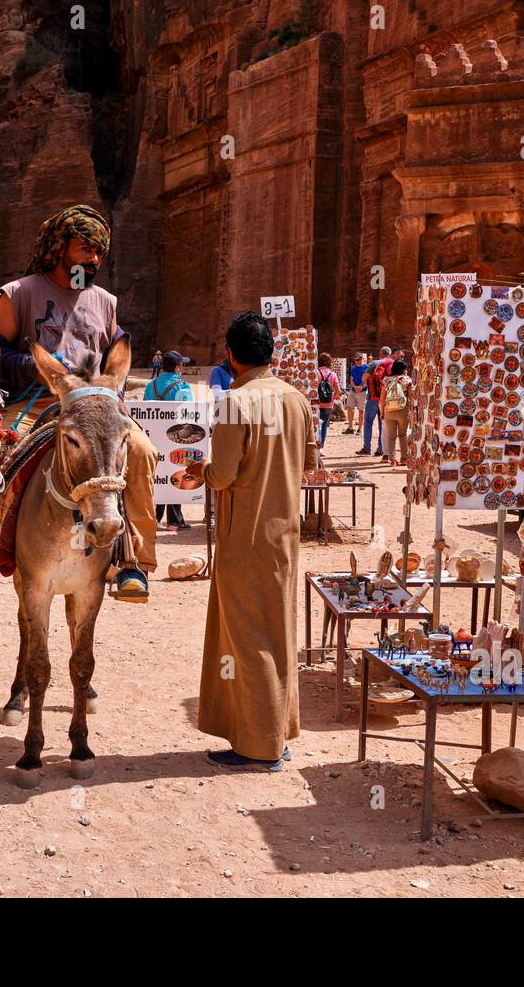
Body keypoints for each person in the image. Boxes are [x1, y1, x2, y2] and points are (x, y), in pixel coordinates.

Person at [0, 204, 159, 626]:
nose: (94, 260)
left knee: (141, 451)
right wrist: (33, 367)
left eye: (100, 253)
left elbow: (116, 352)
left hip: (93, 409)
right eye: (86, 249)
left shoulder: (105, 302)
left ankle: (133, 561)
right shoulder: (19, 293)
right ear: (58, 248)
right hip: (34, 405)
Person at [184, 311, 318, 770]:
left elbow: (221, 474)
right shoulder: (297, 399)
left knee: (247, 636)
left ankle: (259, 745)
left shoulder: (233, 403)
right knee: (277, 630)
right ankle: (275, 733)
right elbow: (308, 464)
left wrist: (197, 472)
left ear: (230, 355)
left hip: (245, 536)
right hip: (284, 536)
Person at [144, 350, 194, 530]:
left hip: (154, 440)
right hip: (175, 439)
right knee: (175, 474)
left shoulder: (151, 386)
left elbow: (145, 413)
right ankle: (174, 521)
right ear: (178, 367)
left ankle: (154, 518)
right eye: (182, 365)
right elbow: (189, 416)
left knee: (157, 475)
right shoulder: (183, 387)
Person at [358, 345, 392, 456]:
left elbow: (364, 377)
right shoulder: (392, 363)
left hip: (373, 397)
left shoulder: (374, 363)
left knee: (368, 422)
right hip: (387, 398)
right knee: (382, 424)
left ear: (380, 354)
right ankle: (381, 449)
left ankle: (367, 448)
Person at [380, 359, 413, 465]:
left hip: (389, 410)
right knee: (403, 435)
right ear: (403, 369)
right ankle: (404, 458)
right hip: (403, 410)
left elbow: (382, 398)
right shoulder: (407, 380)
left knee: (391, 435)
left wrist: (382, 412)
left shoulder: (386, 380)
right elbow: (411, 396)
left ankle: (392, 459)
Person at [314, 352, 340, 448]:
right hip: (328, 404)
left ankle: (315, 446)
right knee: (324, 425)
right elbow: (338, 391)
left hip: (316, 403)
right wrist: (332, 399)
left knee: (315, 425)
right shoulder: (332, 374)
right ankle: (321, 447)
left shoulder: (315, 372)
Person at [344, 352, 366, 434]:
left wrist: (361, 387)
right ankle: (350, 427)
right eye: (356, 360)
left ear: (362, 359)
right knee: (349, 407)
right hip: (353, 390)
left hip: (362, 391)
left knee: (361, 410)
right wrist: (354, 387)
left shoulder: (366, 367)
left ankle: (360, 429)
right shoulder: (353, 368)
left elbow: (367, 380)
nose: (357, 361)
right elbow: (351, 380)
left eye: (358, 359)